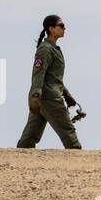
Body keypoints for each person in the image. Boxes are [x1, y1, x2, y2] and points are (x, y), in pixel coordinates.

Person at [16, 15, 83, 149]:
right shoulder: (45, 49)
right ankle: (77, 159)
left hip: (45, 96)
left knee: (30, 135)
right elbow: (38, 73)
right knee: (67, 130)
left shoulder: (53, 48)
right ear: (51, 29)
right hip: (48, 97)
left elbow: (54, 78)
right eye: (61, 26)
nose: (65, 28)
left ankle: (20, 161)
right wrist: (36, 95)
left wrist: (67, 95)